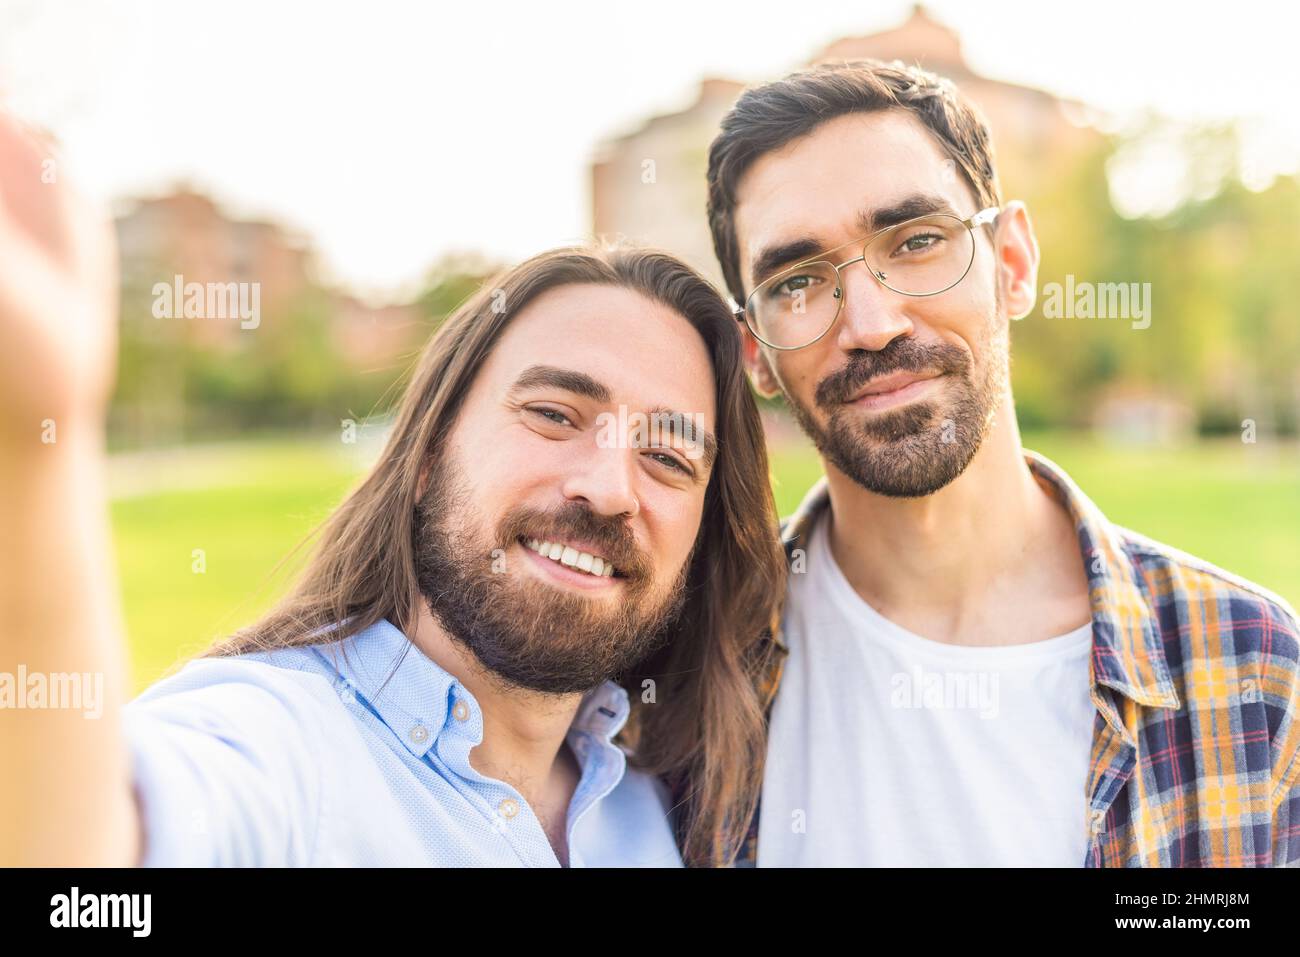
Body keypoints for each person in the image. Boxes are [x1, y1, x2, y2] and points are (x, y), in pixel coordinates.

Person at [0, 111, 786, 867]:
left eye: (669, 458)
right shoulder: (283, 751)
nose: (610, 486)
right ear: (424, 456)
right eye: (554, 414)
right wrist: (36, 440)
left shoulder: (661, 803)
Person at [698, 59, 1300, 866]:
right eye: (799, 280)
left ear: (1012, 262)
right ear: (755, 352)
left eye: (916, 241)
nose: (871, 323)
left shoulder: (1257, 673)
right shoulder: (688, 669)